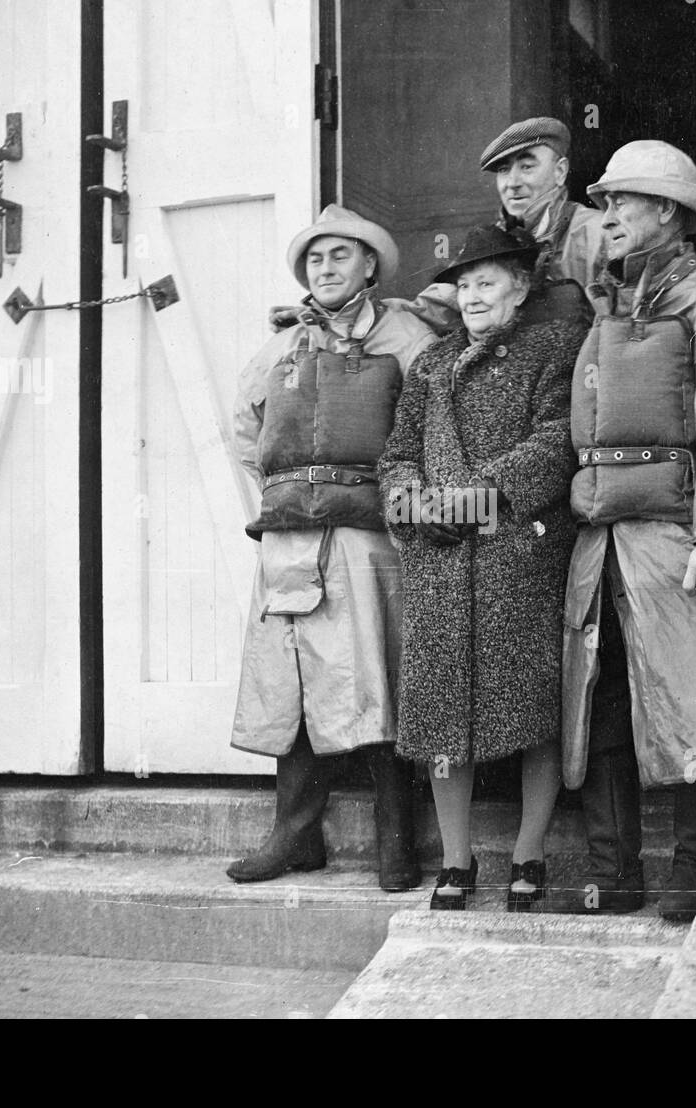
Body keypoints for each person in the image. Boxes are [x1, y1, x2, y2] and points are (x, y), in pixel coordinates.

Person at [561, 141, 696, 922]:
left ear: (668, 213)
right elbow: (538, 236)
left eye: (625, 200)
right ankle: (612, 872)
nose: (608, 214)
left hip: (680, 533)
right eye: (606, 201)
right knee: (602, 702)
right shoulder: (610, 301)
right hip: (602, 539)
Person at [378, 225, 589, 911]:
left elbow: (558, 443)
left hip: (517, 560)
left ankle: (529, 853)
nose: (472, 296)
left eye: (487, 282)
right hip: (439, 562)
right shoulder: (432, 364)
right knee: (442, 718)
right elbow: (397, 455)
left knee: (533, 710)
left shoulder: (552, 350)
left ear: (521, 288)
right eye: (463, 285)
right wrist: (410, 503)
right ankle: (457, 859)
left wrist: (472, 498)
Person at [228, 204, 437, 893]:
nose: (326, 269)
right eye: (315, 260)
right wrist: (282, 494)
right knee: (289, 686)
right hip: (292, 539)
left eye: (340, 256)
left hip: (369, 538)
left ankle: (396, 838)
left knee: (377, 681)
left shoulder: (406, 335)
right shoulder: (284, 346)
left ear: (370, 265)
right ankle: (294, 836)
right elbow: (243, 426)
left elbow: (435, 423)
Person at [271, 117, 696, 335]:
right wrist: (337, 315)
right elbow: (428, 311)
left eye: (527, 166)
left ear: (560, 173)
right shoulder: (488, 246)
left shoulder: (599, 231)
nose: (513, 182)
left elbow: (656, 282)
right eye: (504, 171)